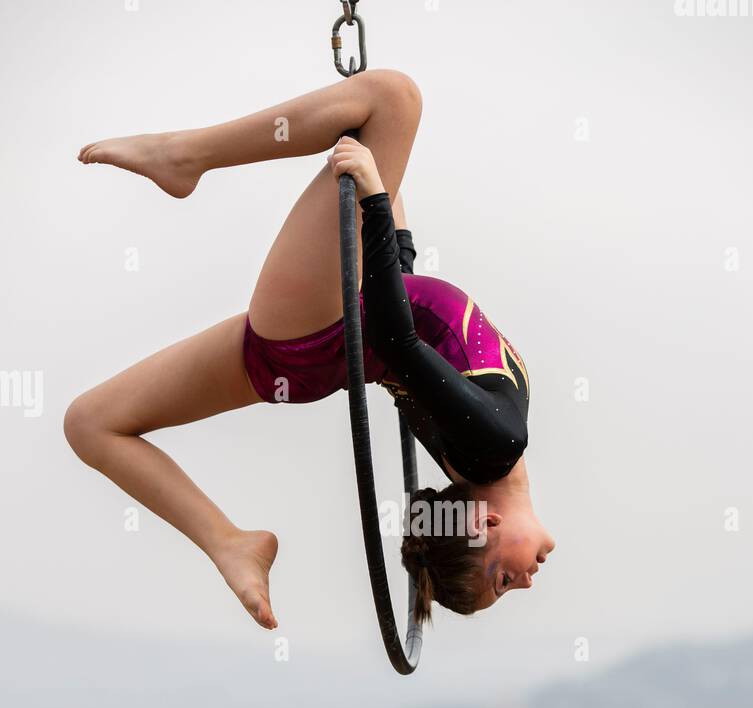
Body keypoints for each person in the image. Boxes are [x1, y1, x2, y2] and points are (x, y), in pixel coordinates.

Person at [67, 69, 555, 629]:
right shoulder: (480, 456)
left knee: (392, 99)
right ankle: (229, 544)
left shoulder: (494, 444)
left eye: (501, 580)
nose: (524, 582)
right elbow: (405, 296)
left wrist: (376, 200)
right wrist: (389, 201)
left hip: (316, 330)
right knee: (91, 423)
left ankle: (184, 156)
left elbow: (400, 338)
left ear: (482, 528)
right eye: (506, 585)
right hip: (310, 349)